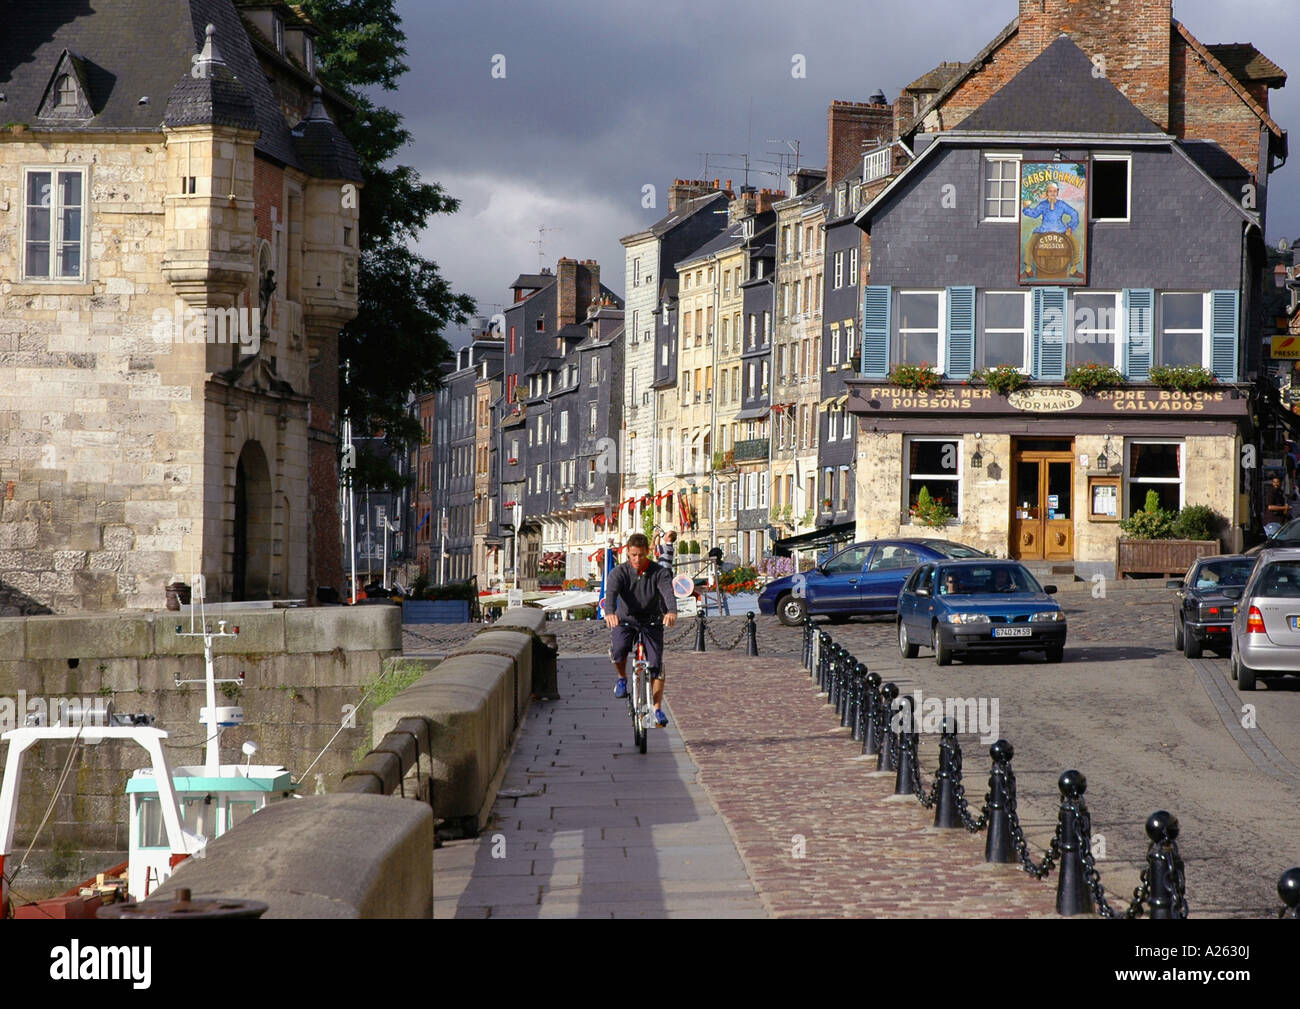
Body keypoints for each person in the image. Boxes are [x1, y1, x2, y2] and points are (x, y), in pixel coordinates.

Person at [606, 533, 678, 727]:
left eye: (641, 555)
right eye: (633, 555)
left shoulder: (658, 572)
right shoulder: (619, 572)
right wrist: (610, 613)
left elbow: (667, 592)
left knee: (656, 664)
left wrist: (671, 611)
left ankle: (657, 709)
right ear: (627, 553)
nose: (637, 559)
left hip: (651, 620)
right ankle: (621, 679)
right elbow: (611, 593)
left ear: (648, 552)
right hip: (626, 620)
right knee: (619, 649)